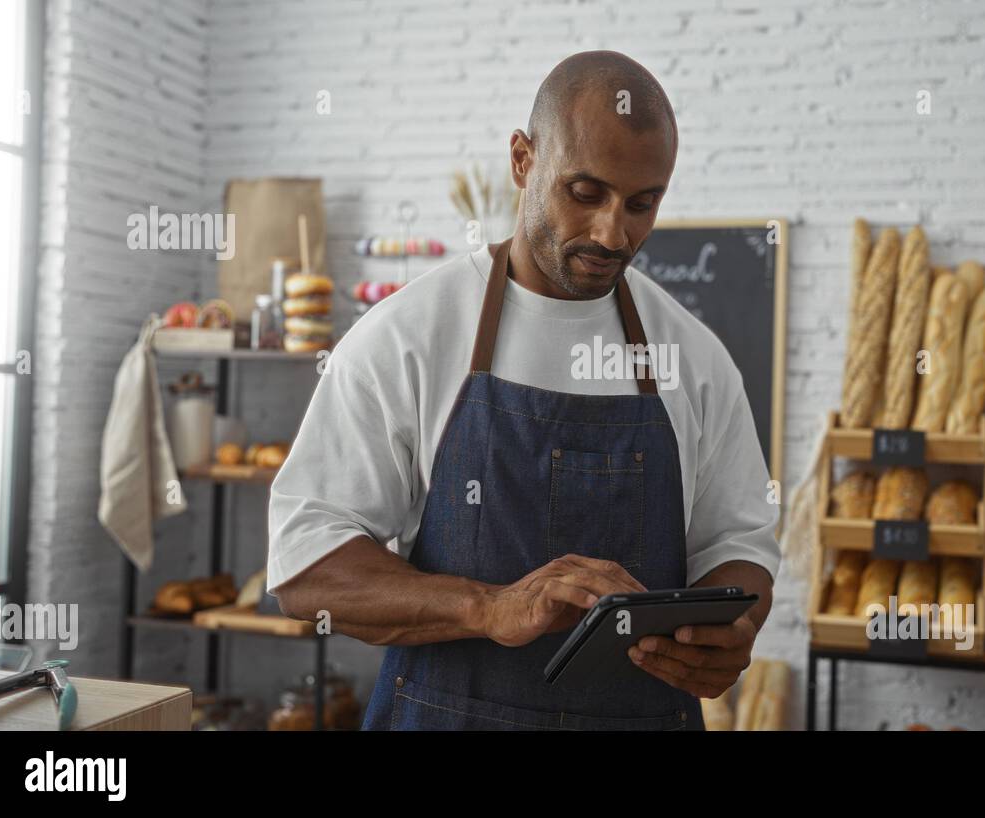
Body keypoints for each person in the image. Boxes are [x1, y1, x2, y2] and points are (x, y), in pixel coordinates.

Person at [268, 50, 780, 731]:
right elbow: (306, 564)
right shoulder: (408, 336)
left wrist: (730, 629)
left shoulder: (693, 357)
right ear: (522, 160)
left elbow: (739, 544)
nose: (612, 232)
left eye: (642, 204)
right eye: (585, 192)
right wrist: (488, 606)